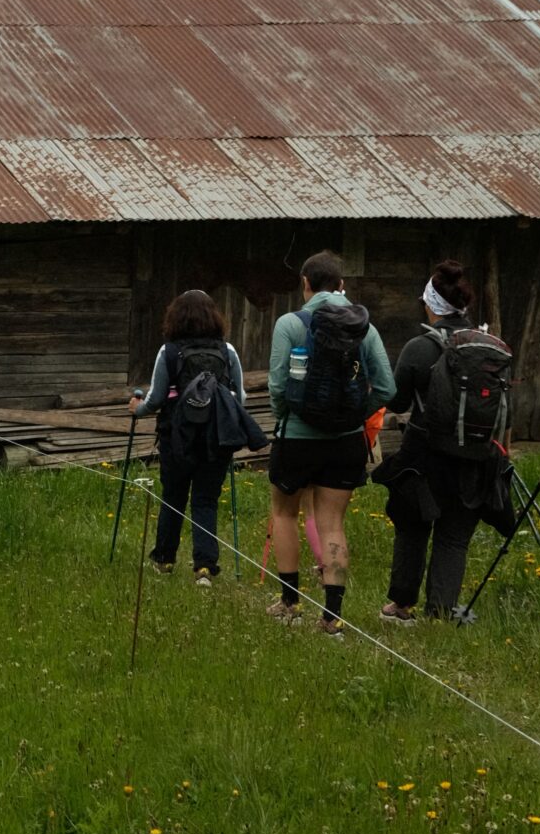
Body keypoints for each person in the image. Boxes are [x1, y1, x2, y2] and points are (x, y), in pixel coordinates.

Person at [266, 250, 396, 635]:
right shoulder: (365, 328)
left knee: (285, 514)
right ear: (341, 285)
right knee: (333, 524)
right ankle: (332, 617)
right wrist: (355, 415)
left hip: (297, 437)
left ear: (305, 284)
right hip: (345, 441)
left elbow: (277, 386)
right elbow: (387, 386)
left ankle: (290, 604)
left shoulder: (290, 323)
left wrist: (288, 416)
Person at [379, 259, 515, 623]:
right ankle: (439, 612)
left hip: (425, 456)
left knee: (412, 528)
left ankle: (401, 606)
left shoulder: (419, 348)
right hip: (475, 458)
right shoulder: (492, 349)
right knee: (454, 537)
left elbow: (398, 401)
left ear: (430, 305)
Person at [129, 288, 263, 582]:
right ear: (213, 317)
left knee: (173, 496)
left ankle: (164, 560)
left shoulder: (170, 351)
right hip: (217, 436)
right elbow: (239, 398)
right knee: (205, 499)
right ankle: (204, 567)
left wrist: (136, 409)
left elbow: (155, 399)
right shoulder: (227, 351)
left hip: (177, 436)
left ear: (176, 317)